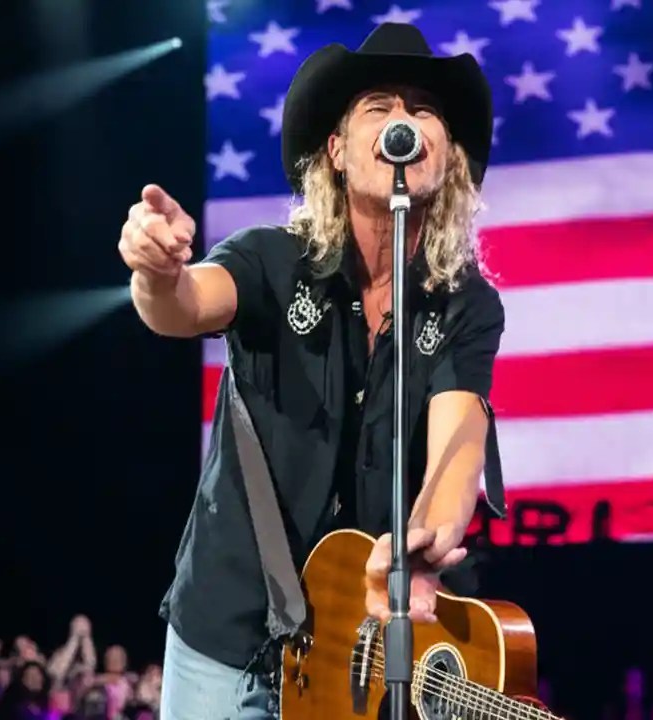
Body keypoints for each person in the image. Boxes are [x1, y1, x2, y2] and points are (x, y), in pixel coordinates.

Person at [117, 22, 507, 720]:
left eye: (423, 110)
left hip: (356, 654)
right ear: (335, 150)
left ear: (447, 156)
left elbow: (461, 447)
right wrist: (155, 270)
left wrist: (424, 541)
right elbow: (182, 305)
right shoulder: (271, 260)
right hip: (228, 630)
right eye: (379, 107)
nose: (403, 122)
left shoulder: (464, 302)